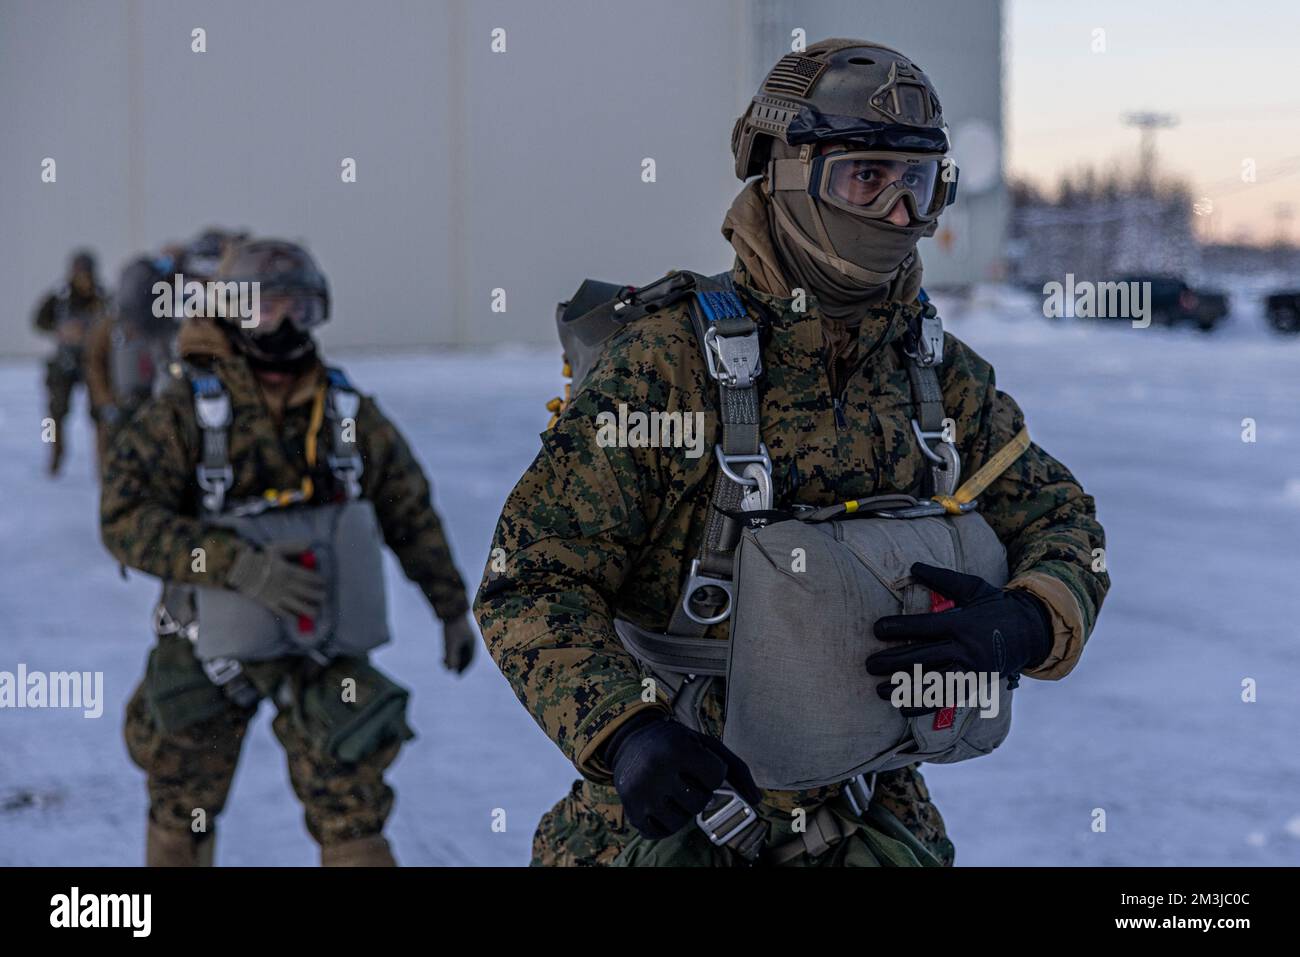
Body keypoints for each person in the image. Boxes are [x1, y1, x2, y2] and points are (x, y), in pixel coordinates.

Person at [475, 38, 1109, 866]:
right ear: (783, 172)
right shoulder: (668, 363)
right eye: (866, 176)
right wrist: (625, 731)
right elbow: (530, 579)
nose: (896, 214)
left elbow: (1066, 521)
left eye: (916, 184)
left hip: (869, 809)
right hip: (681, 807)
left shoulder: (934, 371)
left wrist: (1029, 618)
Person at [101, 238, 476, 866]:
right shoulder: (186, 411)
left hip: (318, 639)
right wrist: (237, 566)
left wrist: (450, 607)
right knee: (181, 802)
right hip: (206, 642)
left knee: (353, 795)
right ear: (230, 312)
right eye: (263, 309)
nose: (283, 326)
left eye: (299, 310)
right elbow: (124, 519)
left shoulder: (345, 411)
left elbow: (409, 511)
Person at [33, 249, 108, 475]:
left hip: (90, 361)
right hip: (64, 361)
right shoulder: (59, 296)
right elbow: (39, 321)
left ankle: (102, 461)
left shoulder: (102, 297)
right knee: (54, 415)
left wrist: (92, 335)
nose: (83, 279)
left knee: (101, 412)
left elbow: (113, 323)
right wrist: (61, 330)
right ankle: (54, 456)